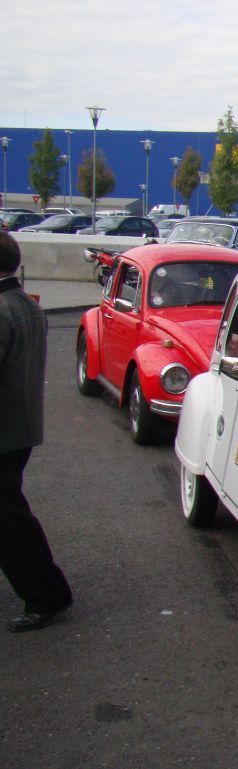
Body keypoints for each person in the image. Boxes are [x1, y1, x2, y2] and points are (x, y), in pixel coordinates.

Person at [0, 232, 73, 632]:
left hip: (4, 432)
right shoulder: (24, 304)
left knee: (11, 522)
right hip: (20, 428)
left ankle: (46, 594)